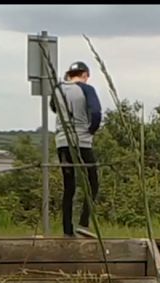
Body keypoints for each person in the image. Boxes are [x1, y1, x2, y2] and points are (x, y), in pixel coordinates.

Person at [49, 61, 102, 238]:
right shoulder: (87, 89)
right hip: (82, 142)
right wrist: (91, 130)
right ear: (85, 75)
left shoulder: (57, 89)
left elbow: (54, 107)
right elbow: (96, 112)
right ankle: (84, 224)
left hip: (62, 142)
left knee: (69, 186)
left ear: (69, 75)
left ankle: (67, 230)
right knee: (92, 182)